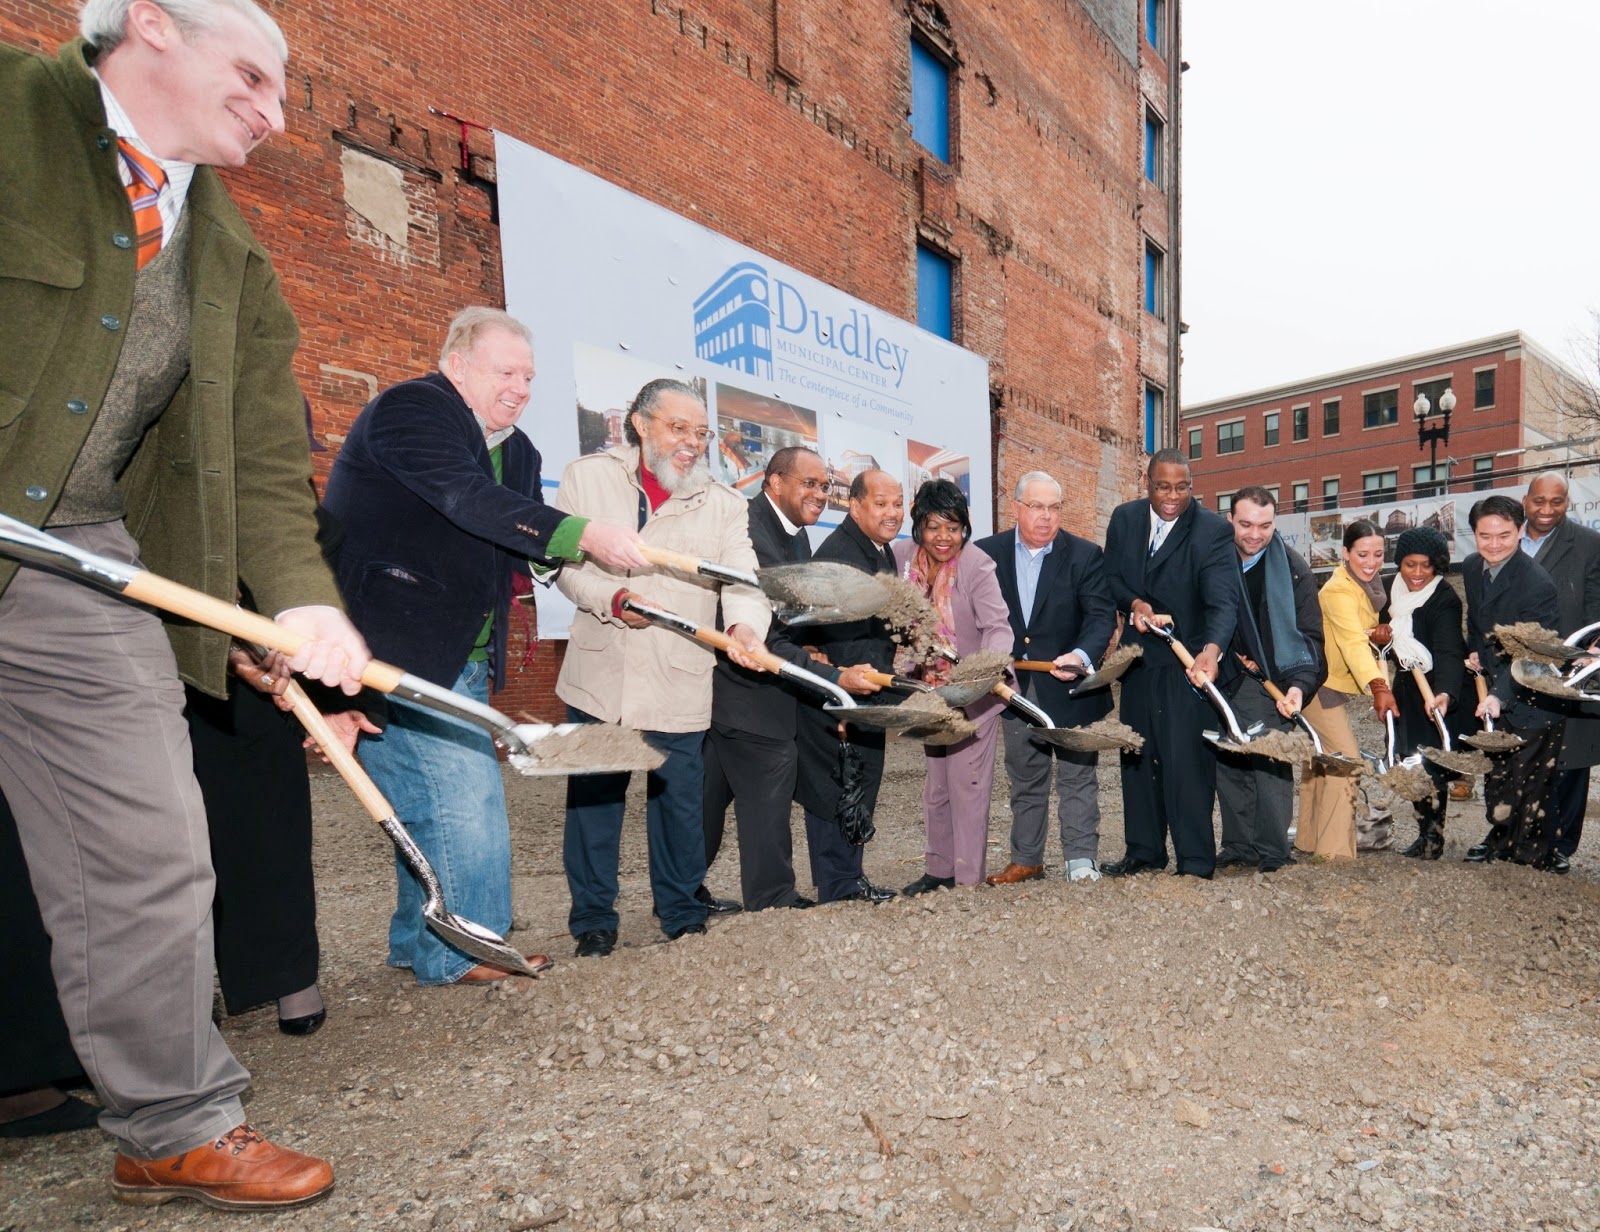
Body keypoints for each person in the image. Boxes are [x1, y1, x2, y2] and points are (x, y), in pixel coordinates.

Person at [0, 0, 377, 1207]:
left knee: (151, 843)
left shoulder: (233, 256)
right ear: (150, 25)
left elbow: (267, 459)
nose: (275, 114)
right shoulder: (12, 116)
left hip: (76, 555)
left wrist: (306, 606)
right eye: (255, 78)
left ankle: (171, 1120)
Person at [323, 307, 647, 985]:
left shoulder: (518, 450)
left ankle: (421, 942)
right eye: (506, 371)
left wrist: (593, 582)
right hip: (394, 642)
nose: (521, 386)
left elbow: (521, 546)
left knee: (420, 806)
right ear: (457, 364)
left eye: (528, 375)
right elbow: (465, 497)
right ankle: (470, 948)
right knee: (467, 803)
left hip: (462, 652)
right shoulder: (413, 409)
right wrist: (587, 533)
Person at [555, 379, 770, 957]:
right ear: (641, 424)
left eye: (701, 433)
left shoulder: (723, 505)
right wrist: (613, 599)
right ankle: (594, 918)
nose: (691, 444)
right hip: (603, 675)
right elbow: (564, 566)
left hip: (678, 675)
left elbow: (744, 580)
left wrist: (746, 628)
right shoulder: (588, 478)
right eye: (678, 428)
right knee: (594, 802)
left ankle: (678, 907)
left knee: (678, 802)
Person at [701, 447, 883, 912]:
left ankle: (682, 890)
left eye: (825, 486)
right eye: (810, 483)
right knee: (768, 781)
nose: (820, 494)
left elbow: (788, 626)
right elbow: (765, 638)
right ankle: (773, 898)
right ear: (775, 481)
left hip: (762, 690)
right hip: (745, 690)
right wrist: (836, 676)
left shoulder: (795, 535)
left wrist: (808, 646)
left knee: (705, 799)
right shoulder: (749, 530)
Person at [1102, 449, 1238, 879]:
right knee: (1137, 756)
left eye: (1182, 487)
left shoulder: (1213, 531)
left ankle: (1195, 859)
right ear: (1148, 483)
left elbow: (1223, 603)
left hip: (1188, 663)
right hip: (1139, 661)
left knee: (1186, 762)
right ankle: (1144, 850)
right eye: (1163, 486)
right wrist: (1136, 602)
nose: (1172, 496)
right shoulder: (1125, 520)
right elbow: (1114, 580)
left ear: (1191, 485)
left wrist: (1211, 651)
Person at [975, 471, 1116, 884]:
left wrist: (1081, 654)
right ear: (1016, 507)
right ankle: (1027, 859)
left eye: (1054, 508)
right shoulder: (986, 554)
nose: (1046, 517)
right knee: (1025, 776)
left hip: (1071, 687)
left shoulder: (1085, 555)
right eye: (1036, 506)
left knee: (1077, 775)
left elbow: (1100, 616)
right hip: (1015, 689)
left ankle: (1080, 861)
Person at [895, 480, 1014, 893]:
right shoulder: (902, 560)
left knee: (967, 786)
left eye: (953, 527)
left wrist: (982, 675)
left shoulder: (976, 564)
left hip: (973, 695)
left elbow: (997, 627)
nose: (944, 538)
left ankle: (967, 880)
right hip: (929, 694)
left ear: (965, 528)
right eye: (933, 527)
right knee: (937, 787)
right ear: (917, 527)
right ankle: (938, 870)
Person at [794, 470, 906, 904]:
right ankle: (837, 884)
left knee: (860, 781)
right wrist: (837, 698)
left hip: (869, 689)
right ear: (855, 506)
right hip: (840, 693)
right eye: (881, 504)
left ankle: (848, 877)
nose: (892, 512)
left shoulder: (880, 552)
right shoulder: (839, 556)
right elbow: (820, 632)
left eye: (897, 504)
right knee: (837, 786)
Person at [1214, 487, 1325, 874]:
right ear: (1230, 520)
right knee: (1228, 761)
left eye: (1264, 525)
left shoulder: (1293, 570)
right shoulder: (1214, 560)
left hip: (1272, 680)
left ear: (1275, 523)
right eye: (1245, 524)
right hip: (1223, 677)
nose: (1254, 534)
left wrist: (1298, 686)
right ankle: (1237, 845)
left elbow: (1310, 635)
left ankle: (1274, 850)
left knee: (1270, 763)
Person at [1462, 495, 1565, 869]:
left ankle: (1532, 856)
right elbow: (1477, 619)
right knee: (1499, 771)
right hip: (1493, 682)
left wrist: (1500, 695)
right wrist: (1475, 651)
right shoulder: (1474, 568)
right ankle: (1500, 838)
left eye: (1503, 535)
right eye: (1484, 535)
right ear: (1473, 534)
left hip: (1534, 693)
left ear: (1520, 532)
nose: (1493, 544)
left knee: (1532, 778)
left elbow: (1536, 652)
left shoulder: (1536, 584)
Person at [1298, 520, 1398, 860]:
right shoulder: (1339, 590)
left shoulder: (1366, 585)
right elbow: (1352, 643)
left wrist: (1374, 631)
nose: (1371, 562)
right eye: (1362, 554)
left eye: (1378, 554)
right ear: (1345, 553)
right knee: (1346, 761)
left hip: (1320, 677)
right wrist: (1380, 686)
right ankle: (1335, 852)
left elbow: (1357, 630)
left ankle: (1310, 841)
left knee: (1321, 761)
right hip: (1317, 682)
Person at [1520, 472, 1600, 872]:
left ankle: (1561, 846)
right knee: (1526, 755)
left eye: (1557, 502)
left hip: (1571, 666)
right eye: (1539, 501)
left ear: (1567, 503)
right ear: (1525, 501)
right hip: (1519, 668)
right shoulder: (1507, 542)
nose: (1547, 510)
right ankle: (1524, 837)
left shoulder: (1589, 544)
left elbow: (1597, 601)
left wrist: (1593, 648)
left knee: (1569, 759)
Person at [1381, 526, 1466, 860]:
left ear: (1438, 565)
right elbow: (1381, 642)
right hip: (1405, 687)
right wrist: (1380, 640)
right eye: (1410, 564)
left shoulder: (1444, 598)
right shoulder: (1389, 589)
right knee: (1410, 761)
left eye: (1426, 566)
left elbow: (1449, 651)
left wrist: (1445, 693)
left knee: (1432, 765)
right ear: (1399, 563)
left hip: (1435, 690)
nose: (1417, 573)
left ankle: (1433, 838)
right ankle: (1423, 832)